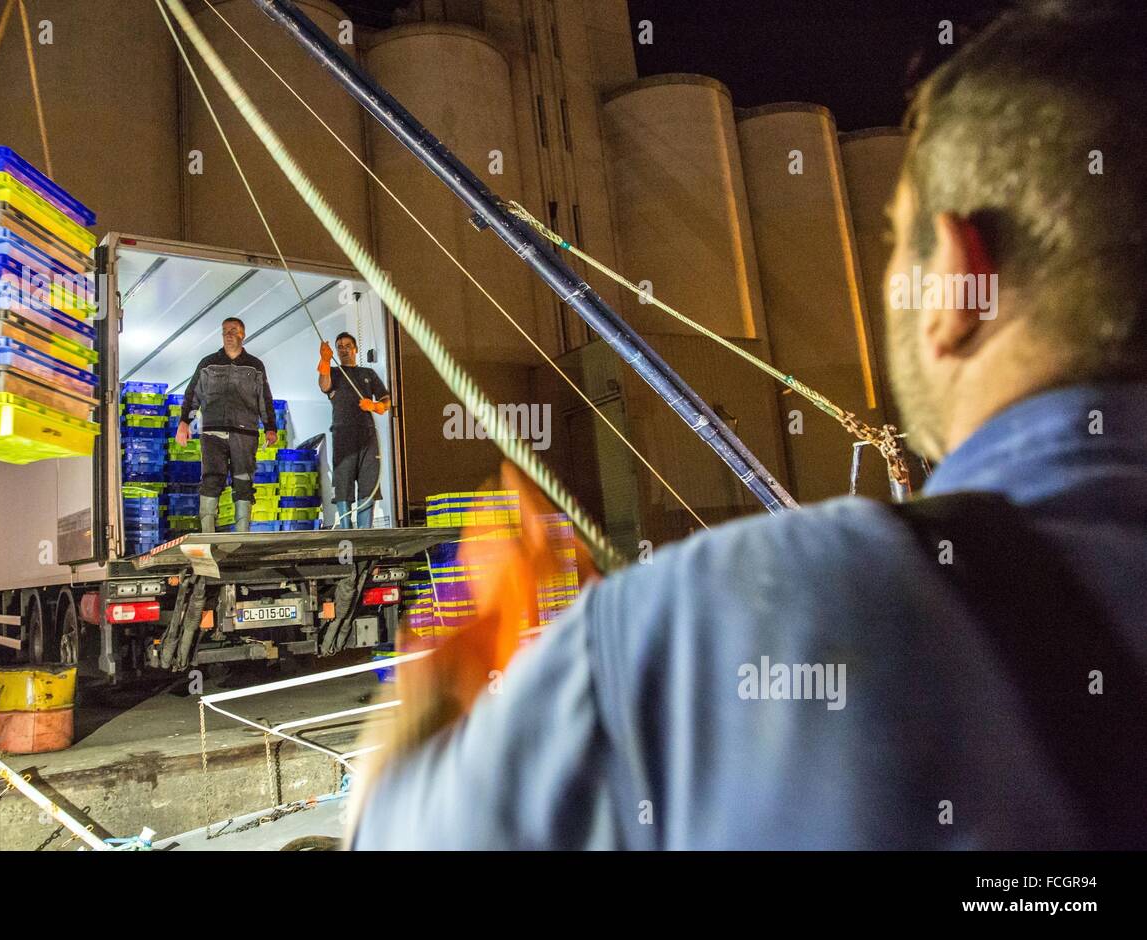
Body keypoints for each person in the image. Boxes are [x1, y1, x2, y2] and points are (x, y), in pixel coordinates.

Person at [349, 1, 1147, 849]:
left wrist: (455, 653)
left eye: (891, 243)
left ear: (956, 284)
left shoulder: (729, 627)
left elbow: (397, 833)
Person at [177, 317, 278, 533]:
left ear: (243, 334)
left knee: (243, 480)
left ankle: (242, 532)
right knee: (211, 479)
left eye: (233, 330)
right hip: (213, 431)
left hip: (245, 433)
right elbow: (192, 394)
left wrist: (270, 427)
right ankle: (208, 533)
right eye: (225, 330)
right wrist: (184, 422)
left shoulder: (255, 366)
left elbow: (264, 398)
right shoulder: (208, 364)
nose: (228, 334)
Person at [317, 332, 390, 529]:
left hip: (367, 435)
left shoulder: (368, 374)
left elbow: (386, 401)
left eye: (348, 345)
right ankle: (346, 530)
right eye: (339, 346)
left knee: (368, 482)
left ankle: (365, 531)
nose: (343, 349)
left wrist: (374, 406)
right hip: (342, 435)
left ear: (355, 349)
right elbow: (324, 385)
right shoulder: (334, 372)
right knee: (343, 482)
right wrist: (324, 359)